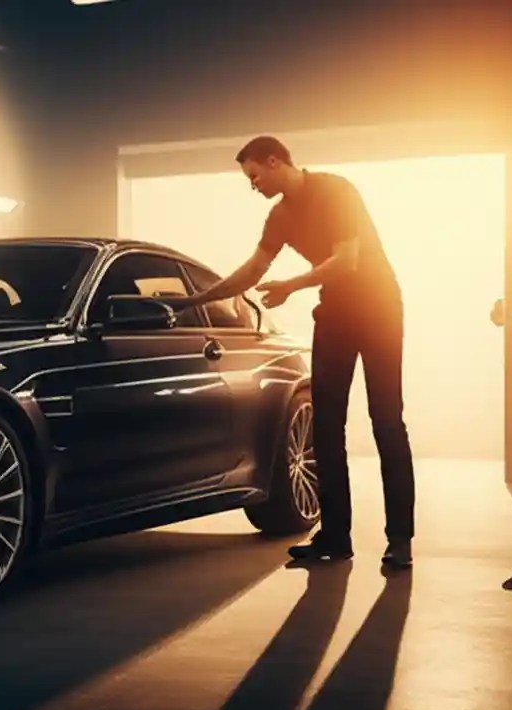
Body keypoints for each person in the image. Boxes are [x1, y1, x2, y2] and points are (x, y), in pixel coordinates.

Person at [165, 136, 415, 568]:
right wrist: (196, 300)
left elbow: (347, 260)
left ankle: (400, 541)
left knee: (386, 420)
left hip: (379, 309)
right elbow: (253, 269)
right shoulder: (279, 216)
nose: (253, 185)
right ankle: (336, 538)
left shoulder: (337, 190)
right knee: (326, 426)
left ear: (275, 161)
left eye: (255, 175)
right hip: (335, 312)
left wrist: (290, 286)